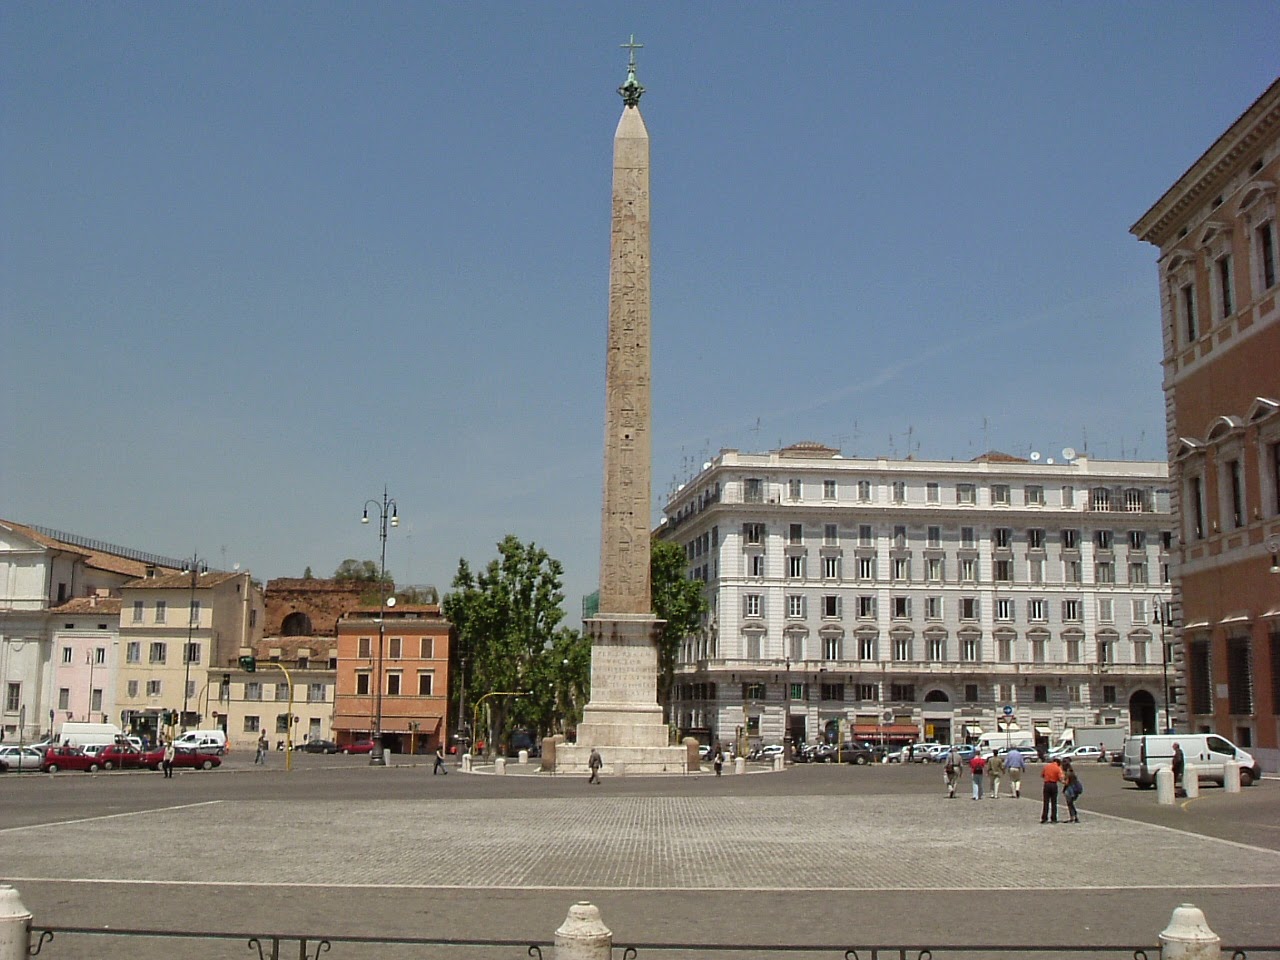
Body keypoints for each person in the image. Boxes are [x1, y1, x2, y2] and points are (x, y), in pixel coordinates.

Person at [1041, 756, 1063, 823]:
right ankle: (1053, 818)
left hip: (1047, 784)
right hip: (1053, 785)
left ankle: (1044, 818)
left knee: (1046, 802)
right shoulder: (1058, 768)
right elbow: (1061, 778)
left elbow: (1042, 775)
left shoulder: (1047, 766)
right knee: (1054, 802)